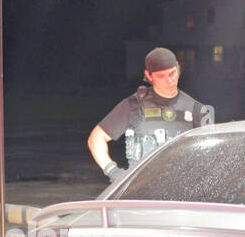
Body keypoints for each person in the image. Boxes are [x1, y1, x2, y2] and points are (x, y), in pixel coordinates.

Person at [87, 47, 210, 182]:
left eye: (172, 73)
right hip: (142, 190)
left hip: (181, 189)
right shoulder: (133, 106)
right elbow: (96, 138)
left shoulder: (196, 109)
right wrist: (114, 172)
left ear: (178, 69)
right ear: (149, 75)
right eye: (161, 76)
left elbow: (211, 153)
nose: (169, 81)